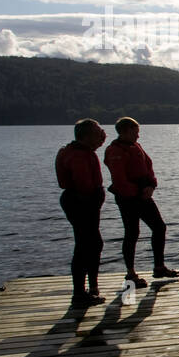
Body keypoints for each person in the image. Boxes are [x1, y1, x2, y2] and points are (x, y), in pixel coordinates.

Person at [104, 117, 179, 285]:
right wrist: (138, 192)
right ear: (123, 132)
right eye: (134, 132)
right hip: (128, 198)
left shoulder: (135, 146)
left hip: (144, 195)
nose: (138, 136)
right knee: (132, 233)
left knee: (159, 227)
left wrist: (152, 185)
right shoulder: (115, 151)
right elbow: (119, 179)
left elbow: (149, 166)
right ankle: (131, 273)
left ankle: (159, 267)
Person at [55, 119, 107, 306]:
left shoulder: (81, 150)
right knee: (85, 246)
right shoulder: (77, 155)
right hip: (81, 203)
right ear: (86, 136)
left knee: (93, 244)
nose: (101, 136)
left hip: (83, 202)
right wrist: (92, 201)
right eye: (97, 132)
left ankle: (92, 287)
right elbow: (84, 185)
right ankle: (79, 293)